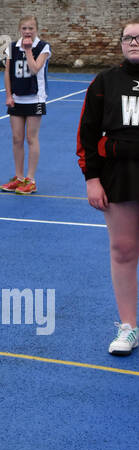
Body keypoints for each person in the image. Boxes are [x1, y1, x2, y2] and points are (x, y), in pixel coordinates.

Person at [77, 20, 139, 356]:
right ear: (121, 44)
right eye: (128, 37)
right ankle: (128, 326)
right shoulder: (105, 82)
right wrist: (92, 178)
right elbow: (86, 133)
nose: (133, 42)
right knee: (124, 250)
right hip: (120, 174)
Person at [0, 16, 51, 195]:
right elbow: (7, 73)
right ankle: (19, 177)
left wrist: (28, 50)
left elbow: (36, 68)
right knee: (16, 138)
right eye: (24, 28)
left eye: (31, 28)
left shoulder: (43, 46)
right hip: (17, 98)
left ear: (36, 29)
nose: (27, 31)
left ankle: (30, 179)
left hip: (35, 98)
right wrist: (8, 95)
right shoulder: (12, 47)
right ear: (19, 29)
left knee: (31, 138)